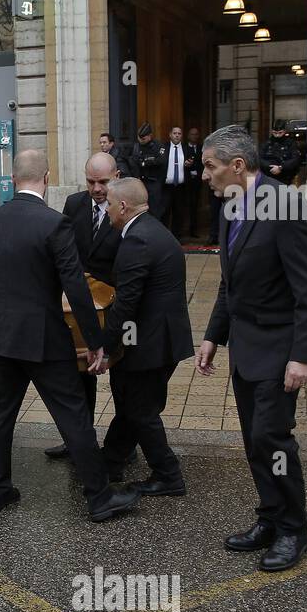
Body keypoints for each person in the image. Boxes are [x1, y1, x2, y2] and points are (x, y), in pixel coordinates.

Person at [196, 126, 307, 572]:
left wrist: (303, 354)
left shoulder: (286, 205)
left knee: (272, 438)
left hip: (279, 347)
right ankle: (271, 517)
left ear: (238, 166)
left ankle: (295, 529)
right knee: (254, 441)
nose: (204, 176)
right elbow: (229, 281)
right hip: (246, 346)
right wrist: (213, 336)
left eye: (210, 166)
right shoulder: (230, 206)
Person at [0, 149, 141, 522]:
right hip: (44, 338)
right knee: (73, 417)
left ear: (14, 178)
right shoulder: (55, 223)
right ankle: (99, 498)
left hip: (2, 336)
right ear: (47, 178)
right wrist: (96, 340)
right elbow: (76, 288)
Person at [95, 177, 193, 495]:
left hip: (149, 343)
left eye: (109, 203)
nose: (106, 209)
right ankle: (110, 461)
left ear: (123, 207)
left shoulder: (137, 241)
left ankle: (168, 475)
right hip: (160, 339)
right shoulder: (151, 229)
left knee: (140, 410)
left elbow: (126, 305)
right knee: (131, 404)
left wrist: (106, 349)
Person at [44, 151, 122, 460]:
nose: (97, 189)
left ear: (116, 177)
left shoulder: (126, 205)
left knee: (122, 380)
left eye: (103, 182)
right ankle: (79, 441)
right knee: (80, 375)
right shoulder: (74, 204)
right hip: (79, 304)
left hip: (115, 304)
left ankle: (121, 446)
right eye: (91, 181)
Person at [159, 126, 195, 239]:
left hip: (181, 187)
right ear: (170, 134)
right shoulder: (163, 148)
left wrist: (190, 164)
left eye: (179, 133)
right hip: (166, 187)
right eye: (175, 133)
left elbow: (193, 163)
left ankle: (177, 238)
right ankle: (163, 238)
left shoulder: (186, 148)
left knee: (179, 214)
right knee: (164, 213)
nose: (177, 135)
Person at [129, 123, 164, 219]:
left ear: (150, 136)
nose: (141, 141)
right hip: (141, 182)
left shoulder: (158, 146)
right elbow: (133, 162)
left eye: (143, 139)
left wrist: (144, 161)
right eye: (139, 138)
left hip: (154, 182)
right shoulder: (136, 146)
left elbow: (160, 160)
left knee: (154, 210)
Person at [261, 120, 302, 185]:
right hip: (269, 176)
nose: (277, 135)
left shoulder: (290, 143)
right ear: (272, 131)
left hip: (285, 177)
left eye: (280, 133)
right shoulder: (267, 143)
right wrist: (269, 167)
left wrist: (281, 167)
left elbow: (295, 159)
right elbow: (259, 159)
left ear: (284, 131)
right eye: (275, 133)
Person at [185, 127, 205, 238]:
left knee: (195, 206)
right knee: (185, 206)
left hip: (197, 182)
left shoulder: (201, 148)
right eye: (192, 134)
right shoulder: (184, 148)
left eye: (196, 134)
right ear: (188, 136)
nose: (195, 136)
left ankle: (193, 230)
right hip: (186, 182)